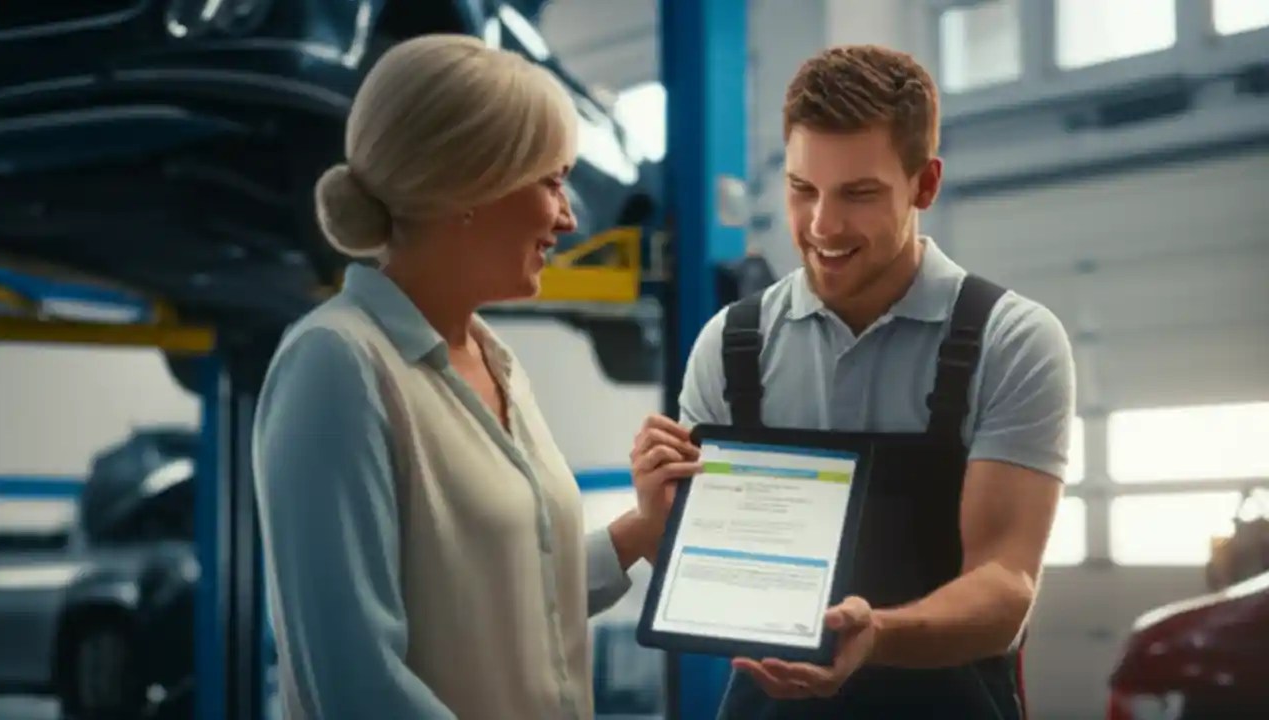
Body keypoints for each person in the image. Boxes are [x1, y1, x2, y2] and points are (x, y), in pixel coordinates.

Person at [251, 34, 696, 720]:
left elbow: (513, 599)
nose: (570, 216)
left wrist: (639, 533)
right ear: (469, 187)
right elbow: (355, 683)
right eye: (552, 180)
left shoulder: (498, 364)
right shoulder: (338, 365)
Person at [632, 45, 1074, 718]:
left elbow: (1006, 585)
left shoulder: (1010, 341)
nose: (822, 226)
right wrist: (664, 518)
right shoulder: (730, 345)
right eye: (802, 189)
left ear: (924, 185)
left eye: (858, 194)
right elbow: (712, 567)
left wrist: (880, 637)